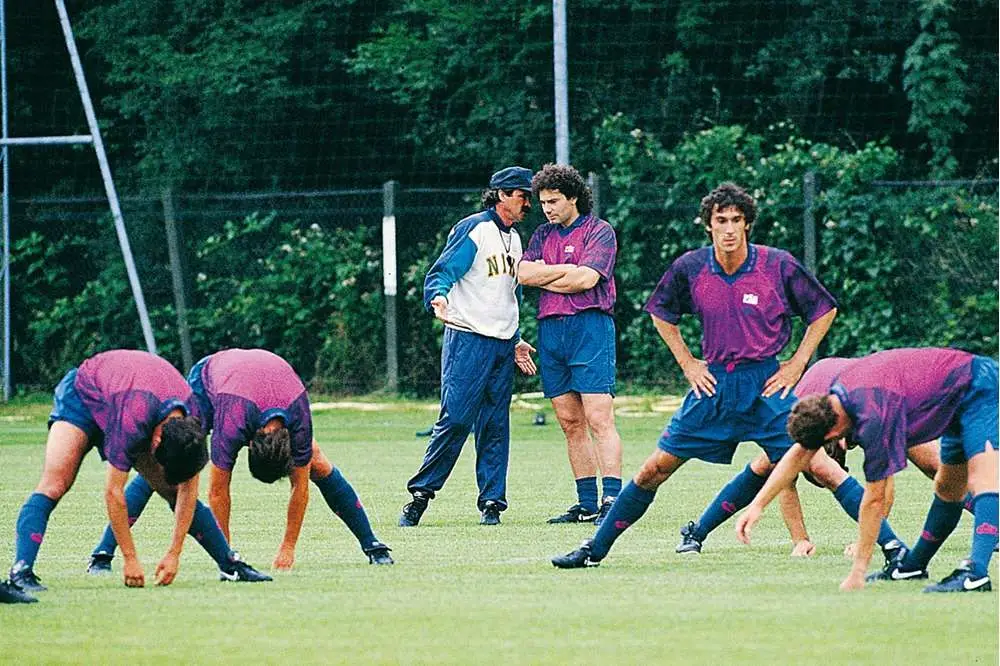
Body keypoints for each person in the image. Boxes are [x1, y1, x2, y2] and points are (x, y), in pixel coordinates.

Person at [552, 182, 842, 569]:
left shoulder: (777, 265)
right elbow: (661, 313)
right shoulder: (691, 267)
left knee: (821, 467)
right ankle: (594, 549)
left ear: (748, 224)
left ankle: (890, 547)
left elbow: (823, 309)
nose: (729, 228)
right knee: (654, 469)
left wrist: (798, 362)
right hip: (714, 387)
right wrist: (688, 363)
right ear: (708, 224)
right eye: (721, 220)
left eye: (736, 220)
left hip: (766, 385)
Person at [88, 348, 393, 569]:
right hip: (210, 381)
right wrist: (226, 555)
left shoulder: (298, 422)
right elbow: (218, 491)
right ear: (248, 440)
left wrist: (288, 548)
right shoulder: (233, 422)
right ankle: (103, 553)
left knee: (318, 463)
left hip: (271, 387)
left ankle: (373, 545)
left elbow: (300, 487)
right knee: (171, 461)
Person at [7, 350, 268, 597]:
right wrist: (130, 558)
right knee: (55, 484)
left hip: (136, 398)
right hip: (83, 395)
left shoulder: (192, 419)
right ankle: (21, 571)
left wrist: (174, 553)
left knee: (171, 490)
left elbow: (188, 489)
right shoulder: (132, 421)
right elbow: (114, 492)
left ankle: (230, 564)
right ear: (156, 441)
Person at [736, 347, 998, 593]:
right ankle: (913, 566)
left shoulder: (873, 416)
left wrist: (858, 571)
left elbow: (874, 500)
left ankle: (975, 573)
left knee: (983, 477)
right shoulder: (835, 400)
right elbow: (799, 452)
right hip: (952, 402)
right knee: (948, 487)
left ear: (832, 433)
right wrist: (758, 505)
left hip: (978, 385)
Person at [398, 166, 537, 527]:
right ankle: (420, 495)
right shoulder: (475, 228)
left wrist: (516, 338)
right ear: (502, 195)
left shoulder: (516, 239)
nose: (528, 204)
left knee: (495, 424)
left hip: (502, 345)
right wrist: (437, 297)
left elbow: (510, 294)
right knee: (457, 418)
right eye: (522, 196)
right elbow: (443, 271)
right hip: (468, 338)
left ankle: (492, 502)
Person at [517, 163, 623, 527]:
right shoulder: (541, 235)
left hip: (590, 328)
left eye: (554, 201)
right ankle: (586, 503)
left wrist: (547, 275)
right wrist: (565, 272)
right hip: (551, 331)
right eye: (543, 202)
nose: (547, 208)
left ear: (573, 197)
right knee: (569, 421)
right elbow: (523, 273)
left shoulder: (599, 231)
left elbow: (587, 279)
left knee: (598, 418)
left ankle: (612, 500)